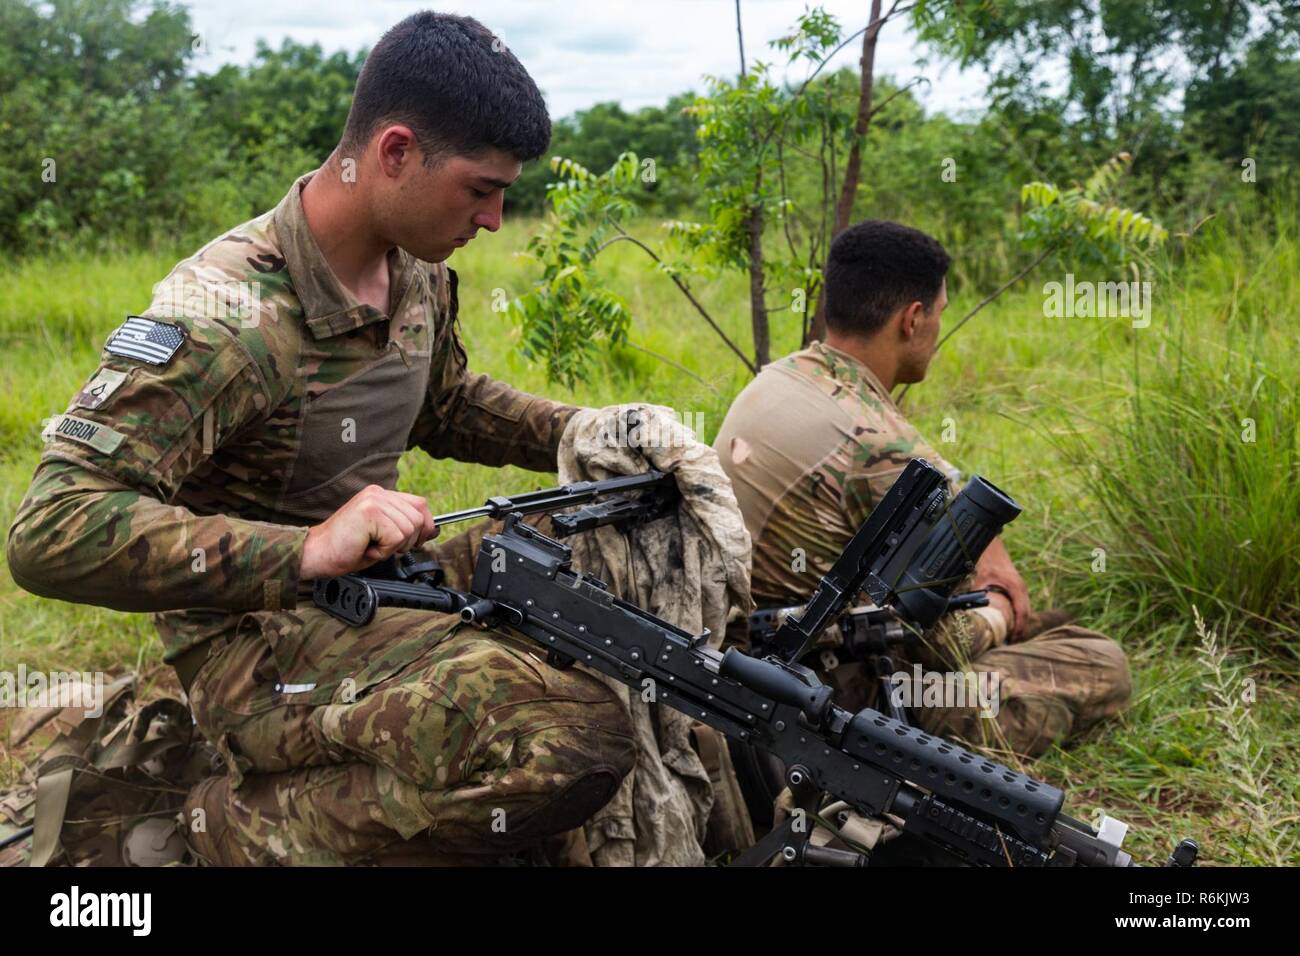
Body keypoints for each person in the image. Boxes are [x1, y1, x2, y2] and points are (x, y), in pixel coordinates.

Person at [6, 11, 637, 865]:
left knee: (612, 593)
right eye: (481, 189)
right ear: (395, 153)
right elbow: (51, 530)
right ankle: (220, 827)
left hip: (378, 592)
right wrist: (304, 551)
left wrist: (591, 431)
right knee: (568, 738)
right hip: (253, 645)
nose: (494, 219)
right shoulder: (228, 316)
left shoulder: (417, 272)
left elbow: (443, 406)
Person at [714, 220, 1131, 759]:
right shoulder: (880, 444)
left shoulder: (781, 377)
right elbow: (943, 643)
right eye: (939, 312)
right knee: (1101, 661)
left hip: (754, 654)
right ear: (913, 320)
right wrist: (1000, 612)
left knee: (1050, 624)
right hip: (837, 698)